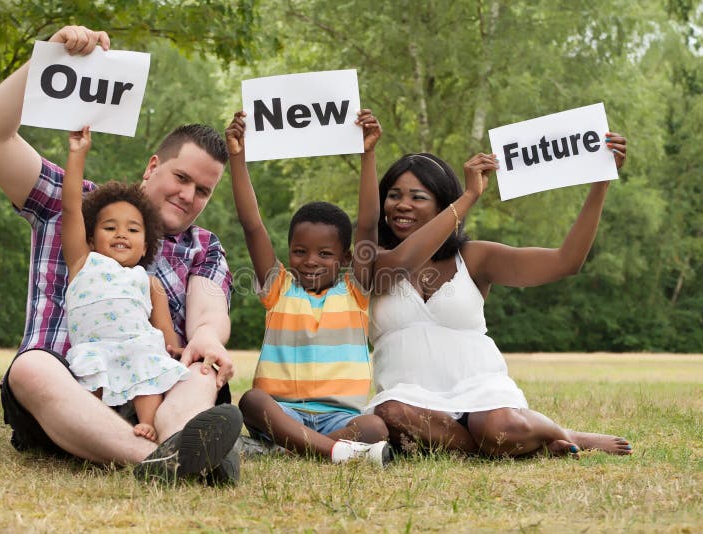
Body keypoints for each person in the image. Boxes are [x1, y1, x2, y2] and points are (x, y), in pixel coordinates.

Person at [0, 25, 242, 484]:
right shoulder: (75, 204)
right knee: (32, 367)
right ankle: (164, 460)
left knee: (202, 368)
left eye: (203, 191)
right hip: (70, 392)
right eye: (181, 177)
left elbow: (208, 312)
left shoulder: (203, 246)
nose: (188, 195)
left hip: (155, 394)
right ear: (153, 165)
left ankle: (177, 441)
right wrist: (49, 55)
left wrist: (209, 339)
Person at [364, 135, 634, 457]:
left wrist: (599, 183)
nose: (402, 205)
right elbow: (395, 266)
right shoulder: (372, 260)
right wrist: (469, 196)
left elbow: (566, 262)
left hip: (480, 393)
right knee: (391, 414)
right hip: (409, 398)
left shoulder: (475, 257)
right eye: (393, 196)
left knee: (500, 428)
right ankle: (518, 447)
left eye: (417, 197)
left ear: (441, 203)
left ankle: (560, 433)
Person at [226, 109, 391, 466]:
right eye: (299, 252)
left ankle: (292, 452)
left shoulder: (355, 291)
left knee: (376, 426)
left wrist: (368, 155)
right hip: (281, 413)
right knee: (252, 401)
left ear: (346, 258)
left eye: (324, 253)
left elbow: (368, 225)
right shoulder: (279, 287)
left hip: (340, 418)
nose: (310, 261)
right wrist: (237, 159)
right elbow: (252, 225)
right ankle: (332, 452)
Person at [62, 126, 187, 442]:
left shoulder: (148, 282)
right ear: (90, 238)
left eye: (133, 229)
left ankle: (149, 423)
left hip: (136, 348)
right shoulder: (83, 261)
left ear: (146, 246)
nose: (121, 234)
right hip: (94, 348)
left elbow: (166, 338)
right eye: (109, 227)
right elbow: (70, 207)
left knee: (149, 358)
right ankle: (99, 426)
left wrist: (178, 352)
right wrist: (78, 155)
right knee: (89, 374)